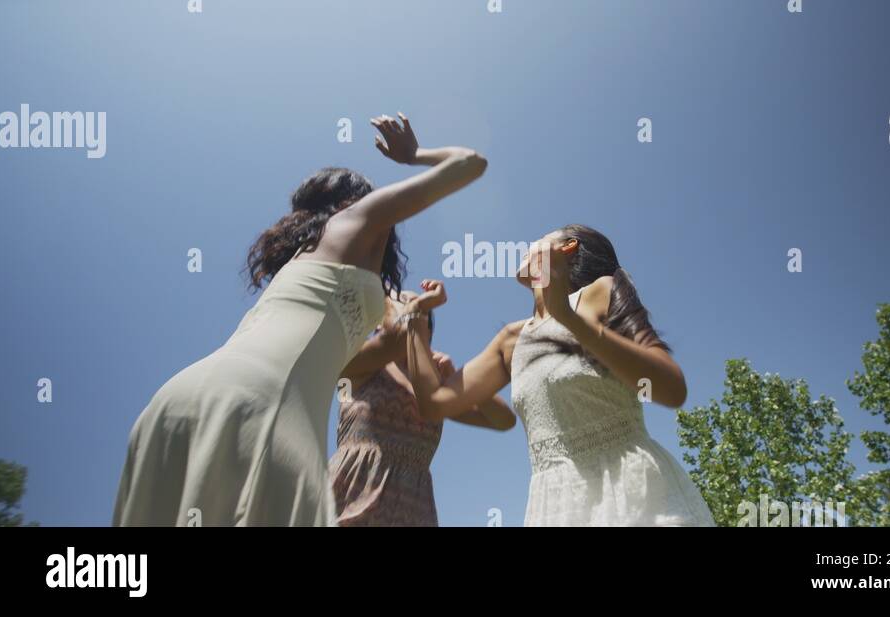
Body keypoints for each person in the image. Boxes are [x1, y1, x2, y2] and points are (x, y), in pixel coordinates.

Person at [113, 114, 488, 526]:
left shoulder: (303, 255)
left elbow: (381, 340)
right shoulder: (354, 220)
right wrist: (414, 155)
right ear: (352, 201)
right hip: (263, 410)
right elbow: (470, 162)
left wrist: (416, 312)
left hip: (180, 402)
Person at [402, 225, 715, 526]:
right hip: (555, 505)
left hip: (635, 494)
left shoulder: (600, 292)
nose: (525, 247)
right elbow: (434, 404)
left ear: (568, 247)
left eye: (539, 238)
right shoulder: (511, 340)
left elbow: (671, 389)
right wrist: (417, 316)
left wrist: (568, 318)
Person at [328, 291, 515, 526]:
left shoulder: (432, 389)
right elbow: (397, 339)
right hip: (351, 499)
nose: (408, 307)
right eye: (402, 304)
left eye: (416, 306)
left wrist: (455, 377)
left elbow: (503, 420)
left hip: (411, 511)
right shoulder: (361, 363)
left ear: (427, 328)